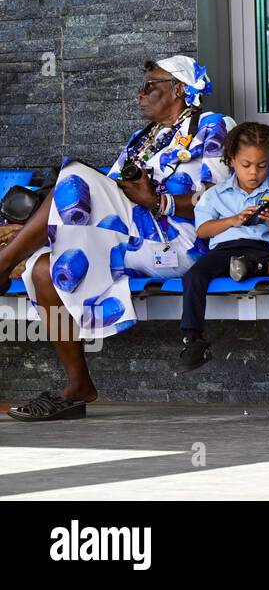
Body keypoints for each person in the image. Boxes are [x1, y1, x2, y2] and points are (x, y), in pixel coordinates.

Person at [0, 57, 233, 420]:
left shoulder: (213, 127)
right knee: (41, 270)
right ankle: (78, 387)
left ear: (180, 90)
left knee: (74, 175)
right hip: (128, 235)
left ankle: (2, 264)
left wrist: (159, 201)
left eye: (150, 86)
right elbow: (105, 196)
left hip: (181, 243)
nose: (140, 94)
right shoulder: (142, 139)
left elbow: (221, 201)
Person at [178, 122, 269, 372]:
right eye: (246, 165)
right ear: (232, 160)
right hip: (225, 252)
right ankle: (193, 339)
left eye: (262, 166)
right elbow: (202, 231)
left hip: (262, 249)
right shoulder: (215, 195)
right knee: (194, 275)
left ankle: (254, 266)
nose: (253, 173)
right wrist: (233, 220)